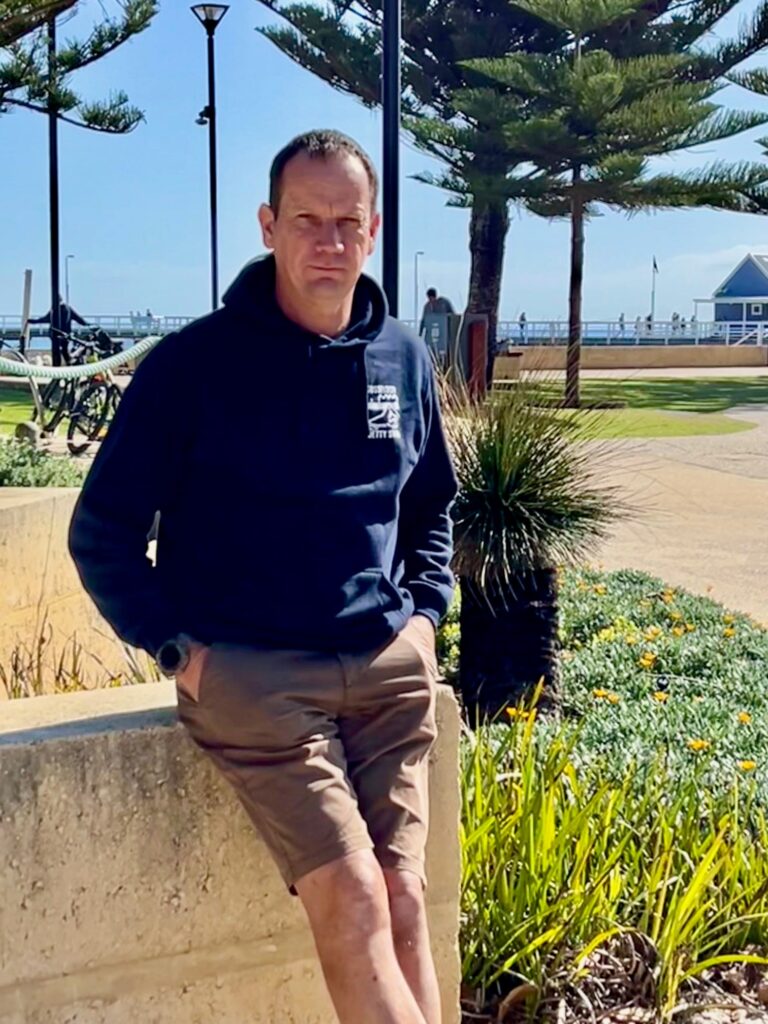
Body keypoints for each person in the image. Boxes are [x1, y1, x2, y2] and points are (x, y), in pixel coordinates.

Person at [68, 129, 457, 1024]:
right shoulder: (191, 368)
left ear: (373, 230)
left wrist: (426, 617)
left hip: (389, 669)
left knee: (403, 903)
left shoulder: (403, 355)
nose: (329, 242)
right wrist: (182, 652)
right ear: (268, 226)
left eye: (347, 223)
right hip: (257, 680)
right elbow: (103, 532)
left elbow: (433, 503)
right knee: (354, 897)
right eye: (307, 220)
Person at [26, 293, 88, 365]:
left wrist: (33, 321)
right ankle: (69, 364)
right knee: (65, 350)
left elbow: (46, 319)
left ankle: (58, 366)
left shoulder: (54, 310)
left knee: (56, 351)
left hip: (55, 334)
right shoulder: (68, 308)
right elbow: (78, 319)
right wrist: (87, 324)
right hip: (66, 334)